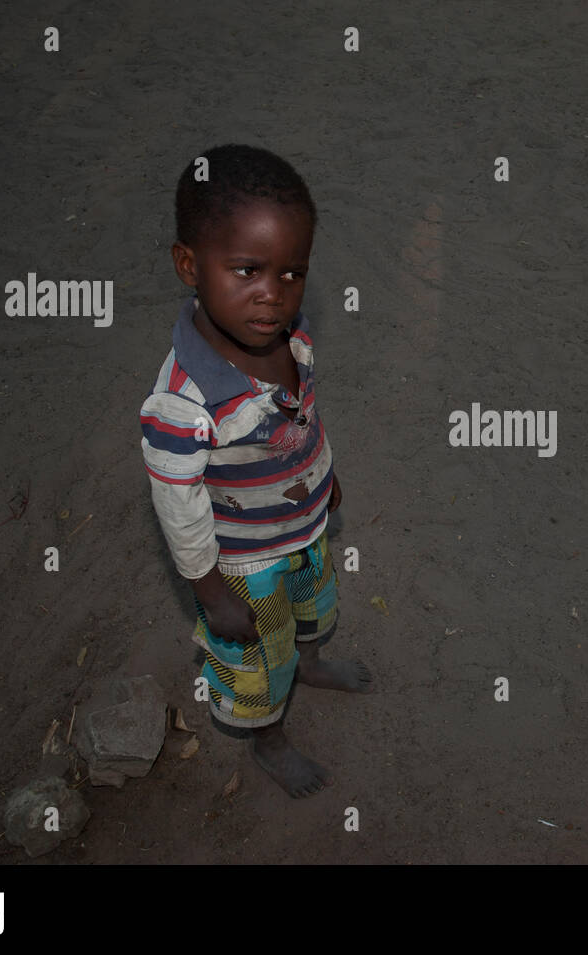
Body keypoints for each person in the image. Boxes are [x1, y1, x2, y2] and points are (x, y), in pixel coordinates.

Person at [139, 143, 373, 799]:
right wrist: (212, 590)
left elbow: (302, 417)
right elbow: (177, 505)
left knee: (312, 609)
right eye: (247, 270)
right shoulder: (183, 402)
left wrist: (325, 477)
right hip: (243, 564)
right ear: (189, 264)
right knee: (257, 664)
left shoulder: (290, 334)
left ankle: (312, 662)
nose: (273, 295)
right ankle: (268, 736)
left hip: (305, 525)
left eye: (291, 273)